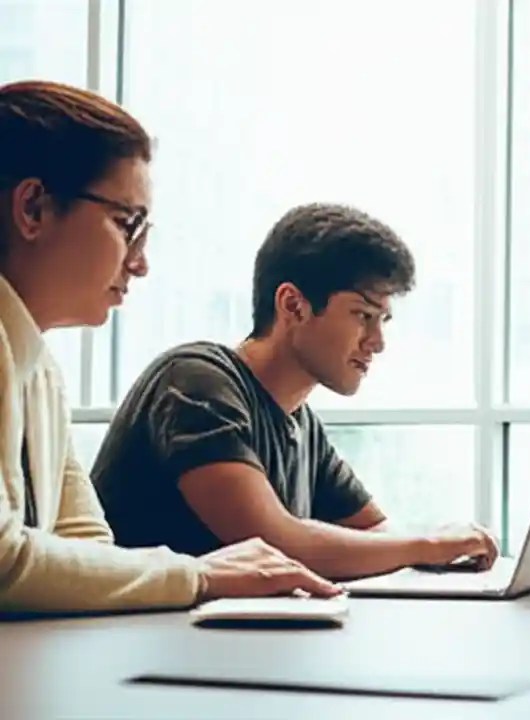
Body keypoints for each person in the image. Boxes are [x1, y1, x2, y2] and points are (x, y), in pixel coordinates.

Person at [0, 80, 338, 613]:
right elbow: (5, 562)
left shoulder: (39, 369)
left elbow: (89, 551)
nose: (140, 263)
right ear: (33, 208)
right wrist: (200, 575)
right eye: (126, 224)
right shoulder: (194, 377)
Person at [91, 203, 498, 580]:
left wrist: (440, 551)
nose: (377, 342)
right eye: (363, 315)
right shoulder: (195, 382)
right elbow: (273, 542)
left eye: (383, 321)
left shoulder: (301, 424)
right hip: (142, 635)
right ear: (292, 305)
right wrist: (426, 545)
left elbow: (376, 535)